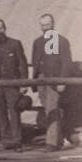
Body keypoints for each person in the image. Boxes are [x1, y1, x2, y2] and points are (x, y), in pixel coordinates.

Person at [0, 19, 28, 150]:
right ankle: (6, 141)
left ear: (5, 28)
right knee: (1, 114)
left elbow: (22, 65)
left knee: (14, 113)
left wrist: (24, 83)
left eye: (1, 28)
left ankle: (17, 141)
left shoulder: (15, 44)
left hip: (12, 85)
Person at [31, 14, 73, 149]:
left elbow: (67, 63)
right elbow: (35, 61)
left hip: (54, 80)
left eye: (48, 25)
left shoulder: (61, 41)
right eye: (43, 25)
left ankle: (51, 143)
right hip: (41, 80)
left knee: (52, 109)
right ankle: (59, 140)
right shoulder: (37, 42)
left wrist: (62, 81)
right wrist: (36, 79)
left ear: (53, 24)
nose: (45, 28)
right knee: (47, 108)